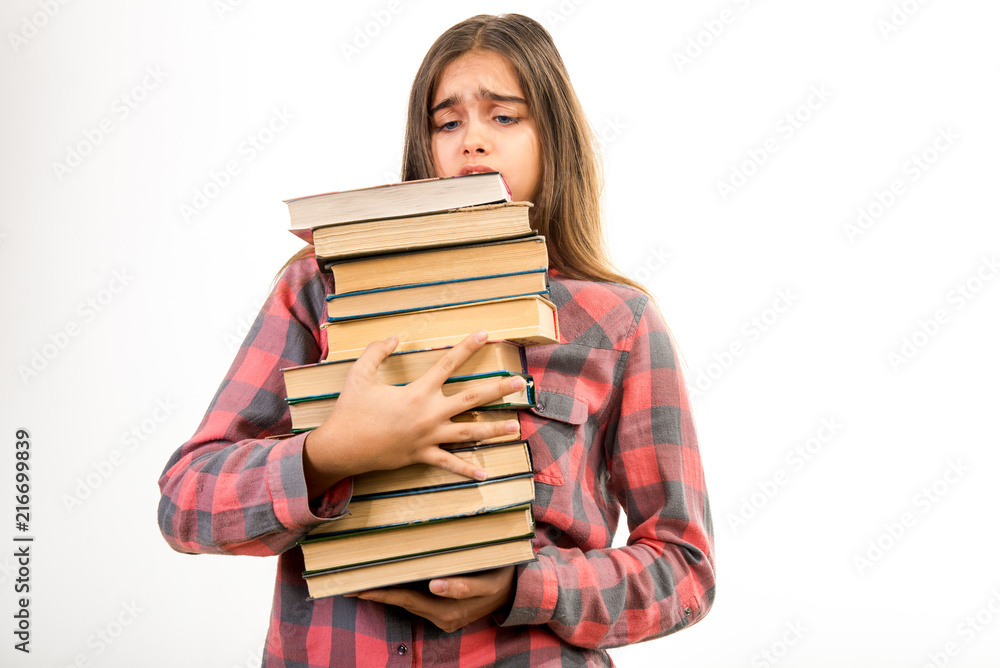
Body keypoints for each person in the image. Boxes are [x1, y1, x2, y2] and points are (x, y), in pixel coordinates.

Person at [157, 13, 715, 667]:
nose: (471, 141)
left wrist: (526, 587)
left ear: (553, 136)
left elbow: (685, 571)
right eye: (447, 122)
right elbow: (184, 503)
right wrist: (329, 454)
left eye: (504, 117)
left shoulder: (621, 324)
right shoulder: (320, 288)